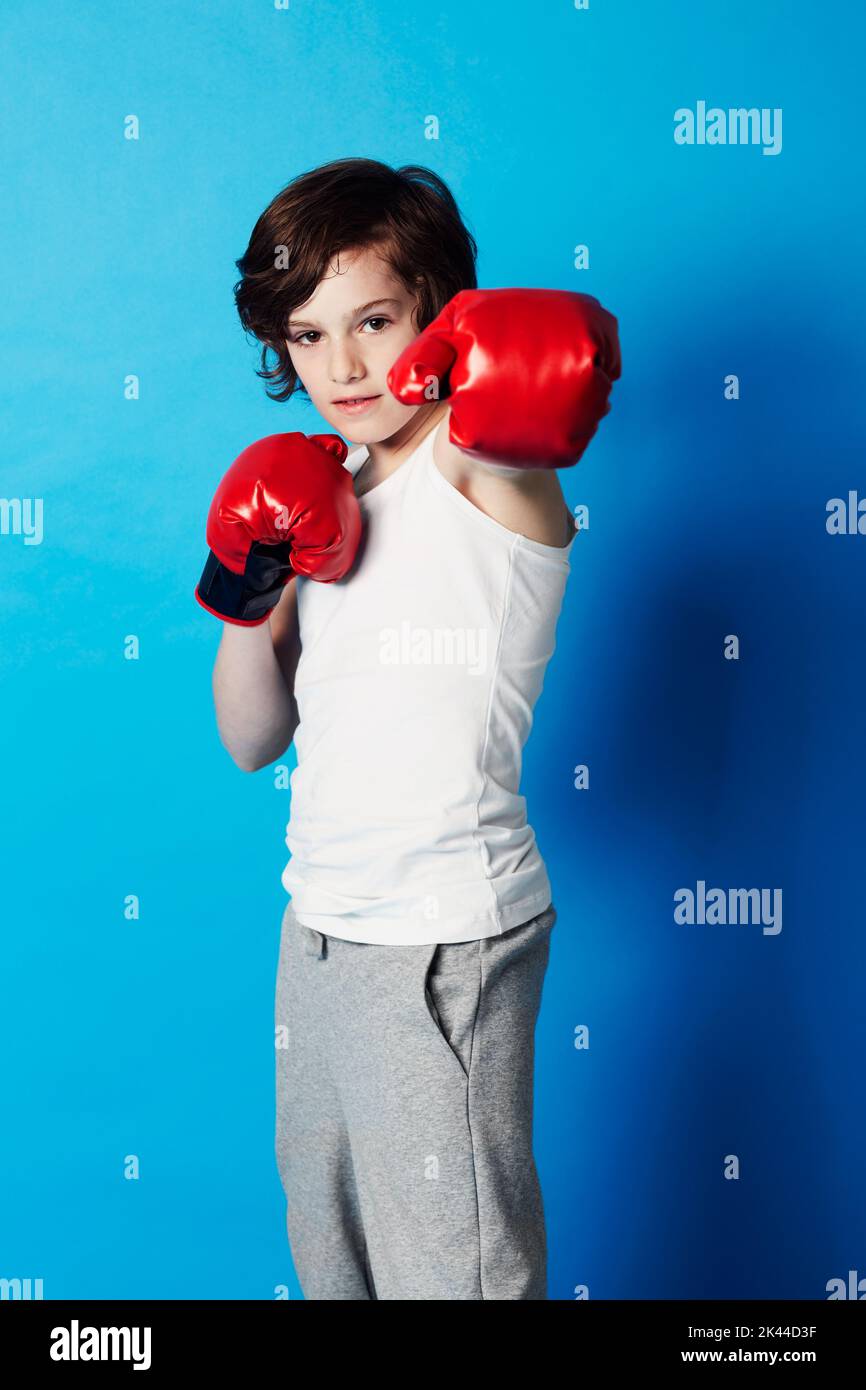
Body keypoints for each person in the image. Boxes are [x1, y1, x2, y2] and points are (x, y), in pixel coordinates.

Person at [195, 158, 620, 1300]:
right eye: (306, 335)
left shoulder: (482, 469)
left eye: (375, 320)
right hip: (319, 934)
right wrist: (247, 588)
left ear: (436, 308)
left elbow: (543, 358)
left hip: (444, 937)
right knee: (334, 1260)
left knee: (454, 1271)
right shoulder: (313, 493)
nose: (341, 365)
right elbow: (249, 740)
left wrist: (468, 359)